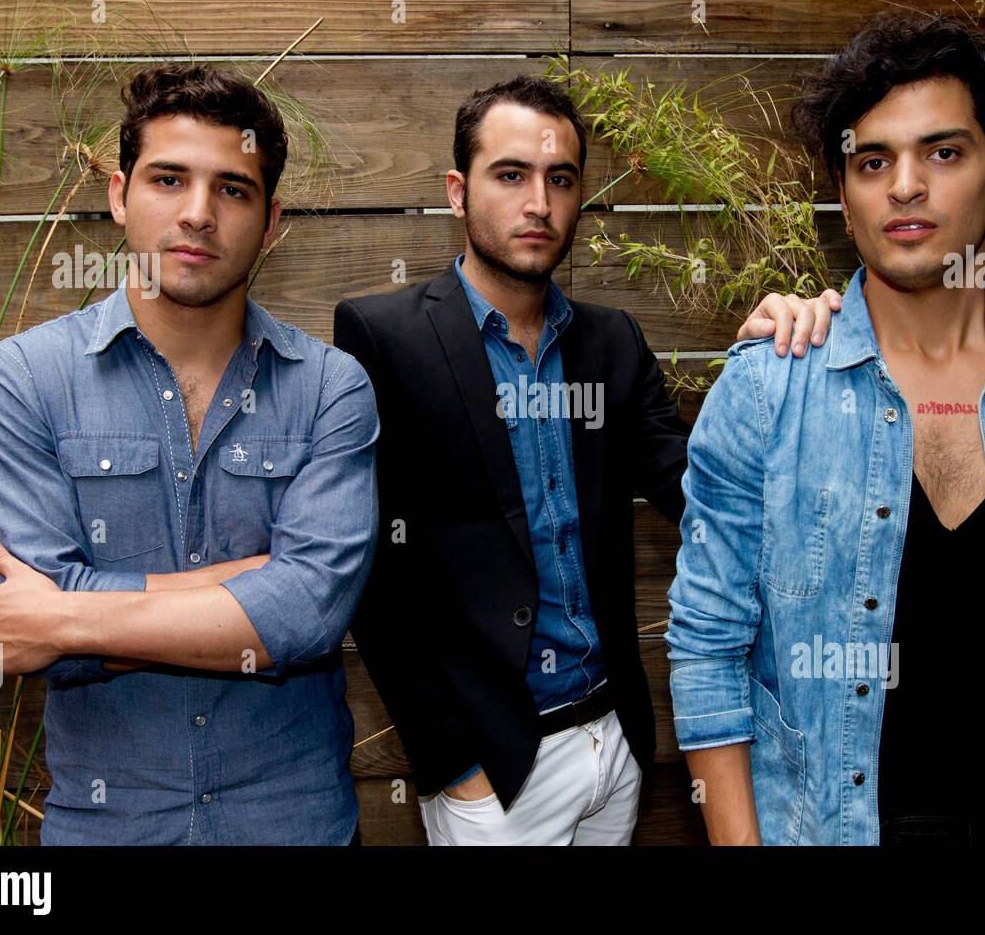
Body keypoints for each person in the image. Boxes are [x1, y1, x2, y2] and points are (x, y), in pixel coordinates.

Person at [666, 12, 985, 846]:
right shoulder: (763, 393)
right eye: (873, 160)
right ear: (844, 196)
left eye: (944, 152)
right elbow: (707, 651)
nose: (905, 186)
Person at [335, 74, 842, 845]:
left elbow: (700, 493)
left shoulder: (612, 342)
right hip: (495, 773)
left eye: (560, 179)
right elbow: (372, 573)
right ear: (457, 191)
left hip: (615, 744)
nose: (537, 202)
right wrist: (451, 762)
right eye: (510, 175)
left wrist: (762, 369)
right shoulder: (386, 337)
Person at [0, 63, 378, 845]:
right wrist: (249, 581)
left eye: (233, 188)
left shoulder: (330, 388)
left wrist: (71, 616)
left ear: (270, 217)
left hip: (295, 827)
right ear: (119, 194)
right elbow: (26, 635)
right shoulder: (24, 379)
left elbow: (308, 618)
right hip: (107, 828)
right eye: (168, 179)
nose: (197, 214)